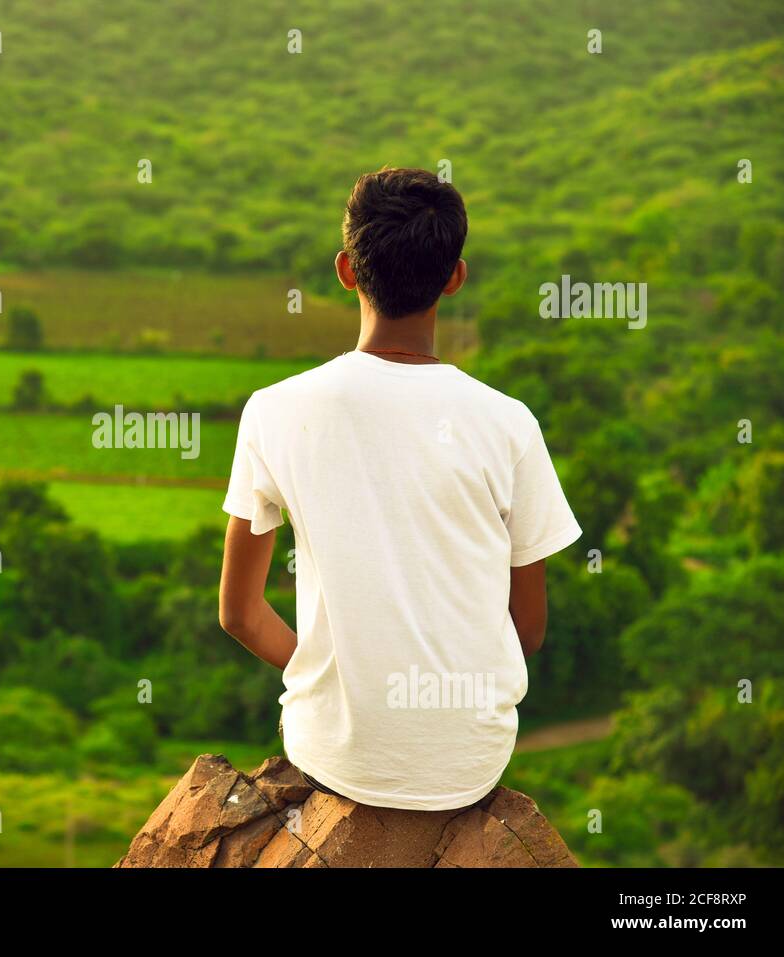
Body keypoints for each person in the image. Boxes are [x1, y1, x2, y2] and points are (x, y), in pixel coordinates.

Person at [218, 167, 581, 810]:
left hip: (332, 751)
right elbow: (526, 630)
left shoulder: (273, 410)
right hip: (472, 758)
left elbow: (239, 613)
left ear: (346, 270)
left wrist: (338, 677)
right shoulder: (508, 423)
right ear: (455, 277)